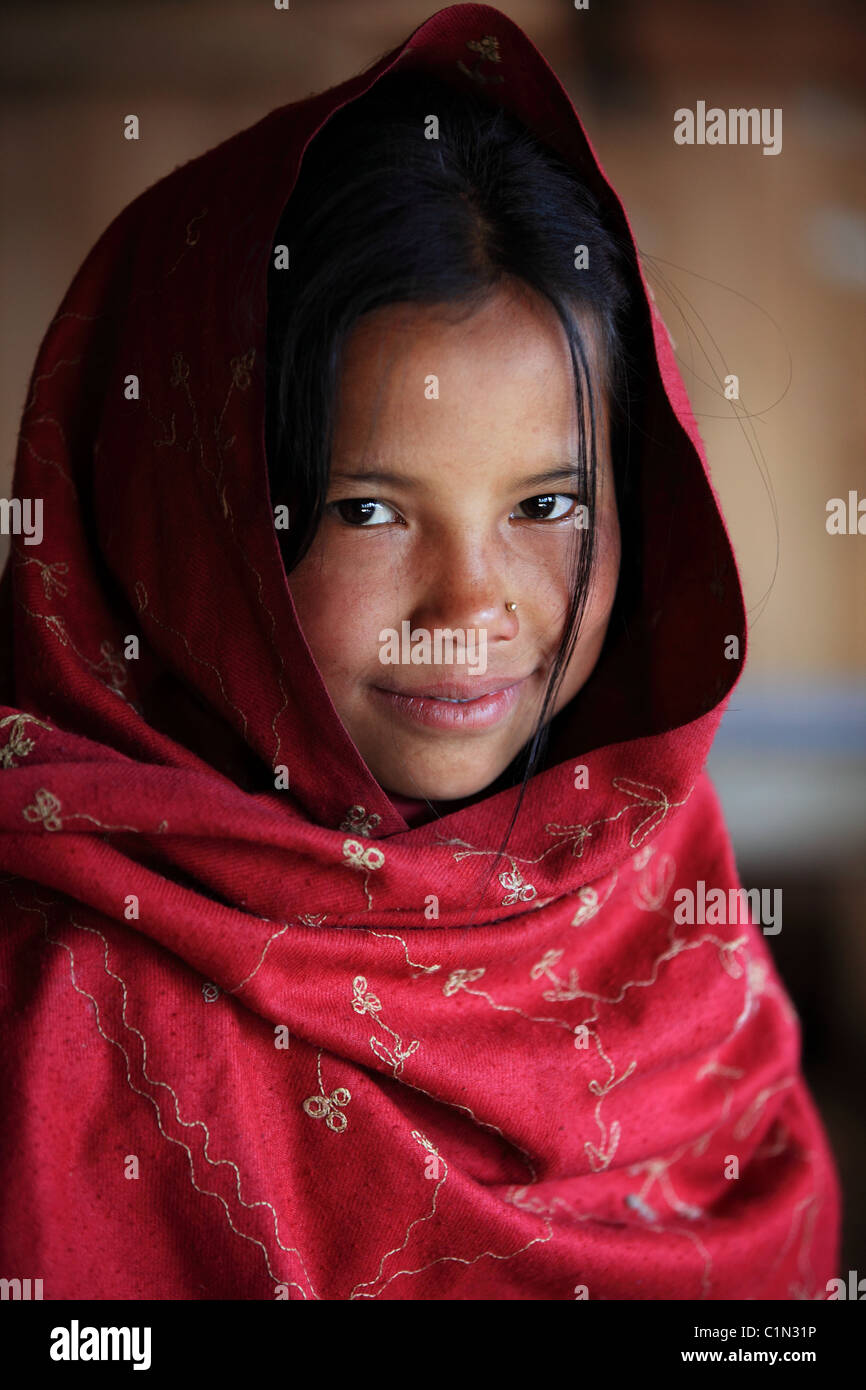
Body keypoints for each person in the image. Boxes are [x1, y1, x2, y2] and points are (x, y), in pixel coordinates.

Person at [0, 4, 840, 1300]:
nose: (470, 606)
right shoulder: (69, 1002)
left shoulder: (666, 918)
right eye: (368, 509)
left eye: (548, 506)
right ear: (188, 527)